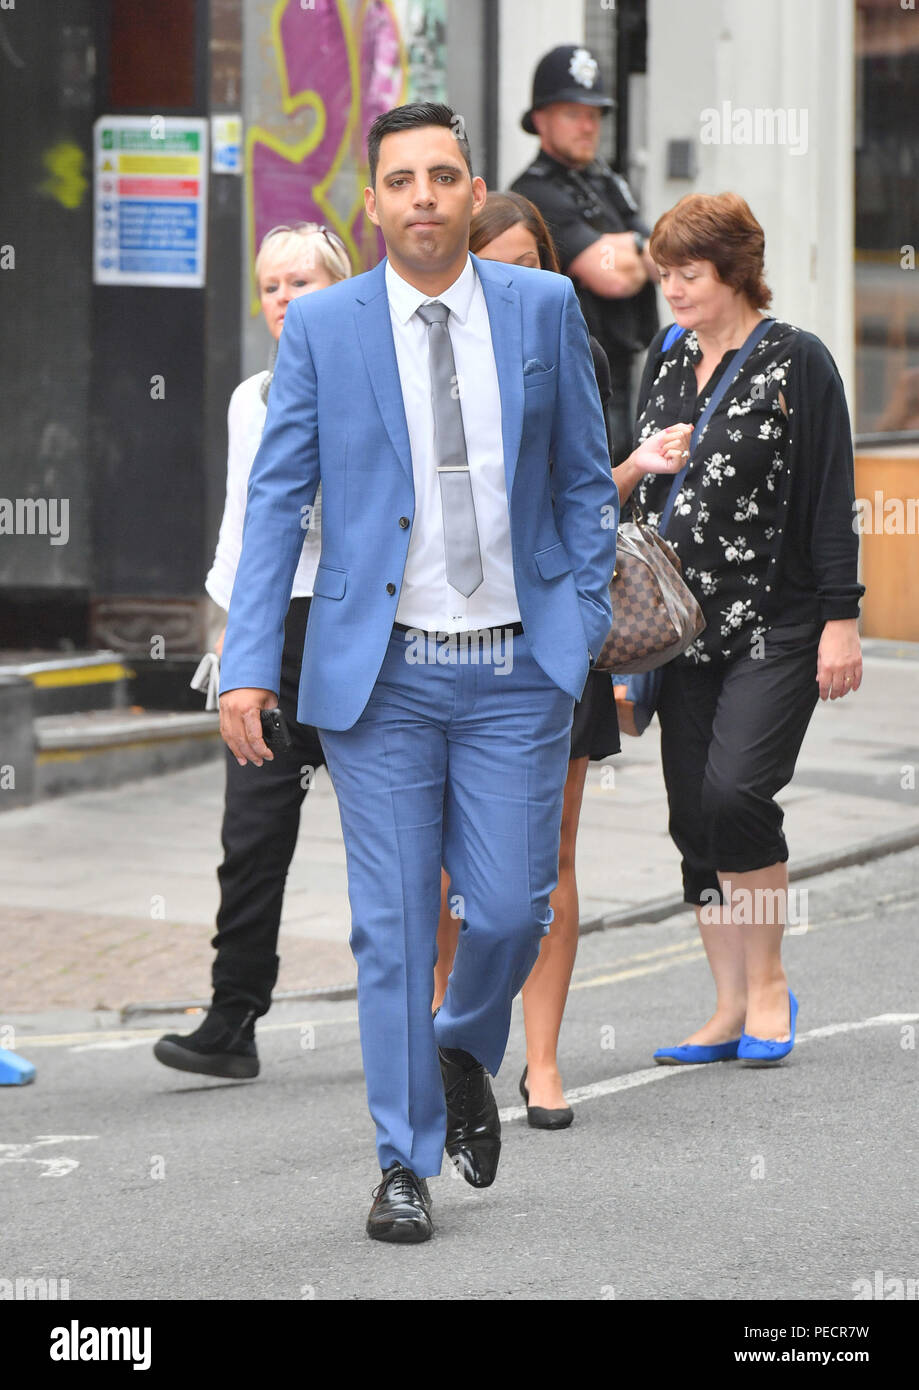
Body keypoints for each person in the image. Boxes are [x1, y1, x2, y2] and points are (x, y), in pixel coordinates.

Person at [217, 102, 618, 1244]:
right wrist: (248, 662)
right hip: (378, 681)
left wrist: (579, 621)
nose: (425, 197)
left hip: (514, 670)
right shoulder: (326, 329)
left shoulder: (542, 308)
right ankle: (403, 1162)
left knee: (506, 910)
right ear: (375, 200)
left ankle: (457, 1047)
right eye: (403, 180)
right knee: (392, 929)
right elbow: (273, 507)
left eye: (444, 176)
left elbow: (587, 482)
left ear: (471, 185)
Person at [433, 190, 691, 1127]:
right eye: (495, 264)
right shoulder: (430, 350)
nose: (516, 281)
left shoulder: (572, 349)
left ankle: (540, 1063)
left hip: (550, 639)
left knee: (549, 858)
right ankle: (449, 1033)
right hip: (445, 641)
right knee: (446, 868)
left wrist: (589, 633)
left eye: (531, 264)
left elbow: (592, 495)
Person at [625, 192, 864, 1067]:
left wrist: (842, 619)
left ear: (733, 271)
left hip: (778, 622)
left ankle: (768, 985)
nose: (673, 291)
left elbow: (832, 499)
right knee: (693, 815)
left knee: (736, 795)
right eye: (662, 275)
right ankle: (726, 1007)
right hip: (674, 627)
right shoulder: (662, 356)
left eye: (688, 274)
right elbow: (645, 493)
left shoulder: (796, 362)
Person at [154, 223, 352, 1080]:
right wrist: (232, 640)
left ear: (338, 291)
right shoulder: (251, 398)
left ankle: (430, 1005)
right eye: (271, 286)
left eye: (301, 281)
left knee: (398, 834)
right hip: (272, 640)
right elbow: (244, 523)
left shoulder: (373, 383)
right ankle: (232, 1018)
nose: (283, 299)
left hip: (361, 632)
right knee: (252, 834)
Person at [511, 44, 659, 465]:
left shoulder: (605, 182)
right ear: (541, 120)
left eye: (593, 115)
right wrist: (636, 252)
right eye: (573, 113)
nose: (587, 126)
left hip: (628, 363)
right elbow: (610, 276)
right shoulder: (535, 191)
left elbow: (662, 256)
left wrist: (629, 250)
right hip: (580, 374)